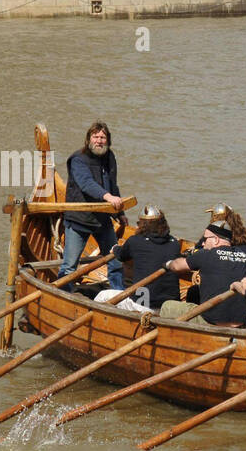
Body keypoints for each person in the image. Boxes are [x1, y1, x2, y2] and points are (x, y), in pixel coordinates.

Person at [159, 211, 246, 326]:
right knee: (195, 291)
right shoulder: (243, 255)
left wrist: (167, 264)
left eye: (205, 239)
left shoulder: (206, 254)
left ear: (216, 240)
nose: (202, 243)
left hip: (211, 321)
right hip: (240, 321)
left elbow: (177, 266)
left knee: (167, 306)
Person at [60, 121, 126, 292]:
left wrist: (120, 213)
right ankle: (62, 294)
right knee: (69, 266)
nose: (99, 140)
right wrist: (108, 197)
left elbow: (113, 184)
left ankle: (118, 294)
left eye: (103, 137)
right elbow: (86, 183)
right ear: (88, 140)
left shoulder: (109, 157)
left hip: (102, 219)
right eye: (95, 137)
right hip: (79, 219)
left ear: (108, 140)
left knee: (115, 259)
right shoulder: (78, 159)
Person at [95, 205, 183, 313]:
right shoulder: (175, 244)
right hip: (170, 308)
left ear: (143, 226)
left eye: (138, 223)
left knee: (102, 296)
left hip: (143, 306)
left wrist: (115, 248)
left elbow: (121, 255)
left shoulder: (135, 241)